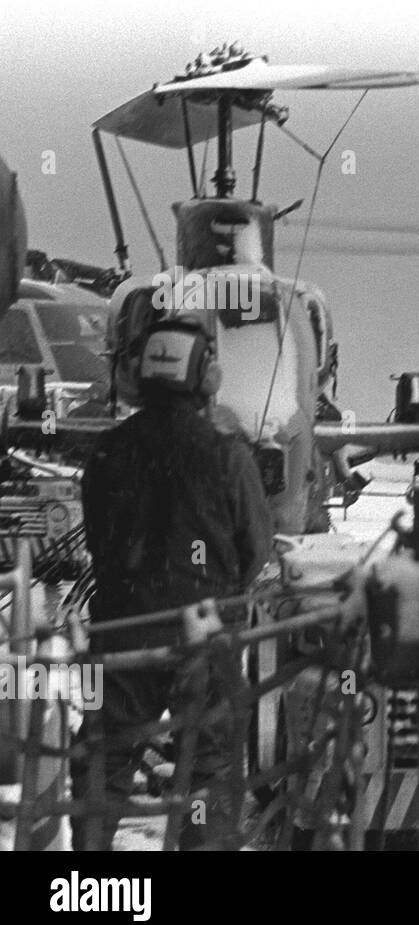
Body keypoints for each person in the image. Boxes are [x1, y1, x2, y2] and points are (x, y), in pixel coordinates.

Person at [73, 319, 273, 850]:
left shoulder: (108, 451)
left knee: (103, 754)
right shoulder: (228, 454)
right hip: (204, 634)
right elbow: (255, 549)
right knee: (208, 765)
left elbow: (99, 541)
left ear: (138, 373)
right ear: (208, 377)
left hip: (120, 630)